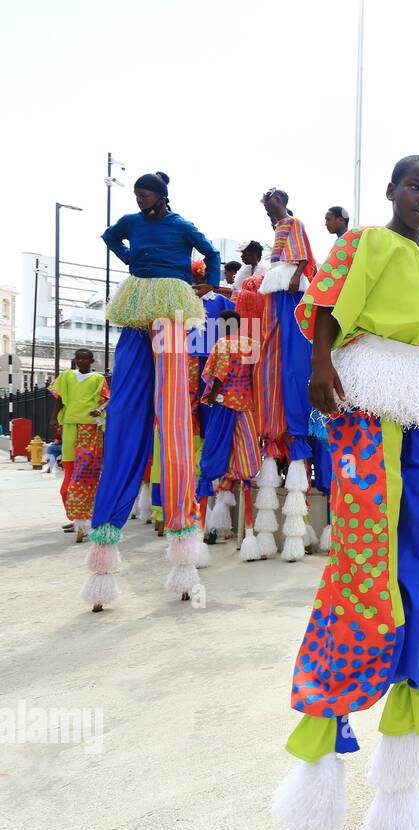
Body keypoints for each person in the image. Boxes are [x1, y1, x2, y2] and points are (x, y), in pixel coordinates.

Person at [259, 154, 419, 830]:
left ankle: (399, 806)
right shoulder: (366, 241)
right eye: (415, 185)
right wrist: (318, 362)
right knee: (363, 569)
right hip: (367, 402)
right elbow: (323, 307)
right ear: (391, 190)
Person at [82, 170, 221, 611]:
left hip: (173, 309)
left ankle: (183, 547)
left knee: (174, 415)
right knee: (126, 410)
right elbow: (110, 235)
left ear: (161, 196)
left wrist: (209, 282)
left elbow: (211, 252)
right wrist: (130, 259)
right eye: (137, 195)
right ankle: (105, 548)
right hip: (138, 304)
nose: (141, 201)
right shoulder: (131, 221)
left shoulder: (180, 225)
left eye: (146, 195)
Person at [257, 188, 318, 560]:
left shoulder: (291, 223)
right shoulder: (280, 227)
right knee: (278, 360)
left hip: (289, 291)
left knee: (293, 363)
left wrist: (295, 276)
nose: (270, 211)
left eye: (273, 205)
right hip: (281, 294)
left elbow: (303, 259)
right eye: (267, 207)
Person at [199, 304, 263, 555]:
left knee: (213, 460)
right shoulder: (251, 345)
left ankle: (202, 531)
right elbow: (255, 378)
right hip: (246, 407)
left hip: (225, 405)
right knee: (245, 465)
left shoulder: (223, 345)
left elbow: (217, 376)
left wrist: (212, 397)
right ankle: (247, 537)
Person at [50, 349, 108, 542]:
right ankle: (77, 518)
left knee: (85, 474)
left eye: (86, 358)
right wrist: (53, 417)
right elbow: (59, 398)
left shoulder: (98, 379)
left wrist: (99, 410)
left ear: (92, 360)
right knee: (69, 473)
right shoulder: (66, 376)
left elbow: (107, 399)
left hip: (89, 428)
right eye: (79, 358)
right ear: (75, 359)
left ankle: (84, 517)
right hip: (69, 425)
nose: (82, 361)